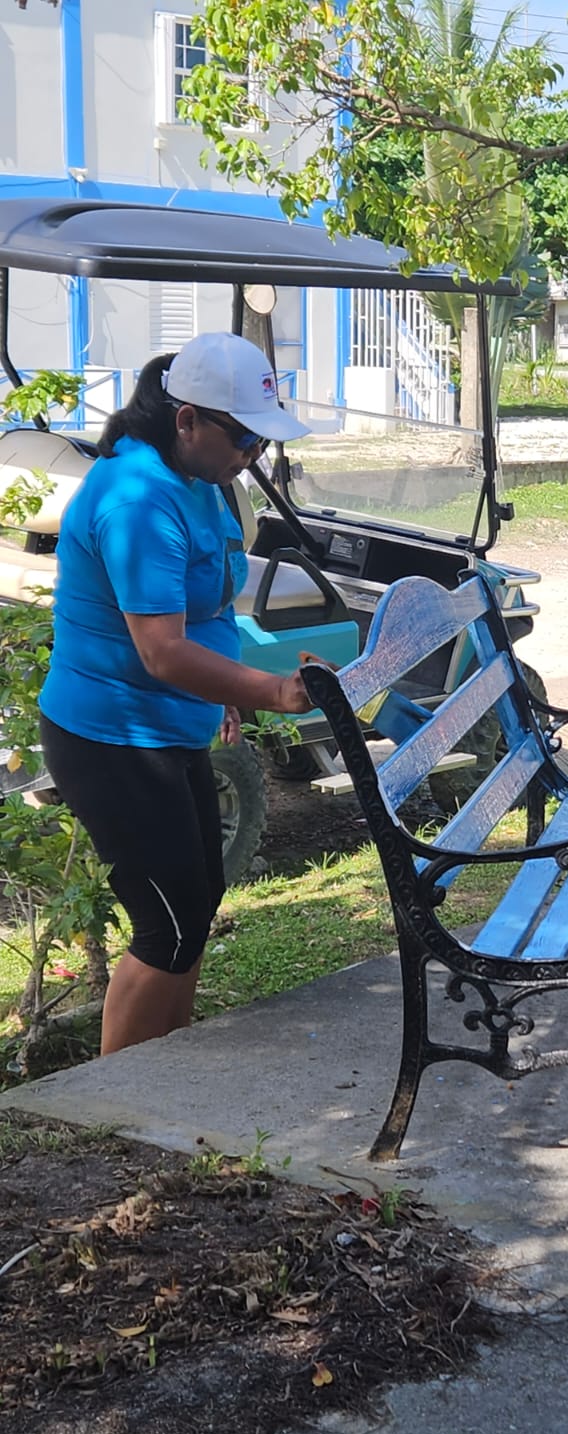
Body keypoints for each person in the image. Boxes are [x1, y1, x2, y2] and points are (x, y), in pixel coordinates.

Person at [38, 331, 315, 1056]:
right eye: (244, 437)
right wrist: (270, 691)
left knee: (198, 905)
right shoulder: (136, 496)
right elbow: (161, 652)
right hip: (113, 738)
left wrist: (223, 687)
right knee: (166, 923)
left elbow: (209, 606)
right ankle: (118, 1104)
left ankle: (174, 1070)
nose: (252, 455)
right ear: (187, 419)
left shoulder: (202, 481)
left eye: (262, 440)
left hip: (172, 727)